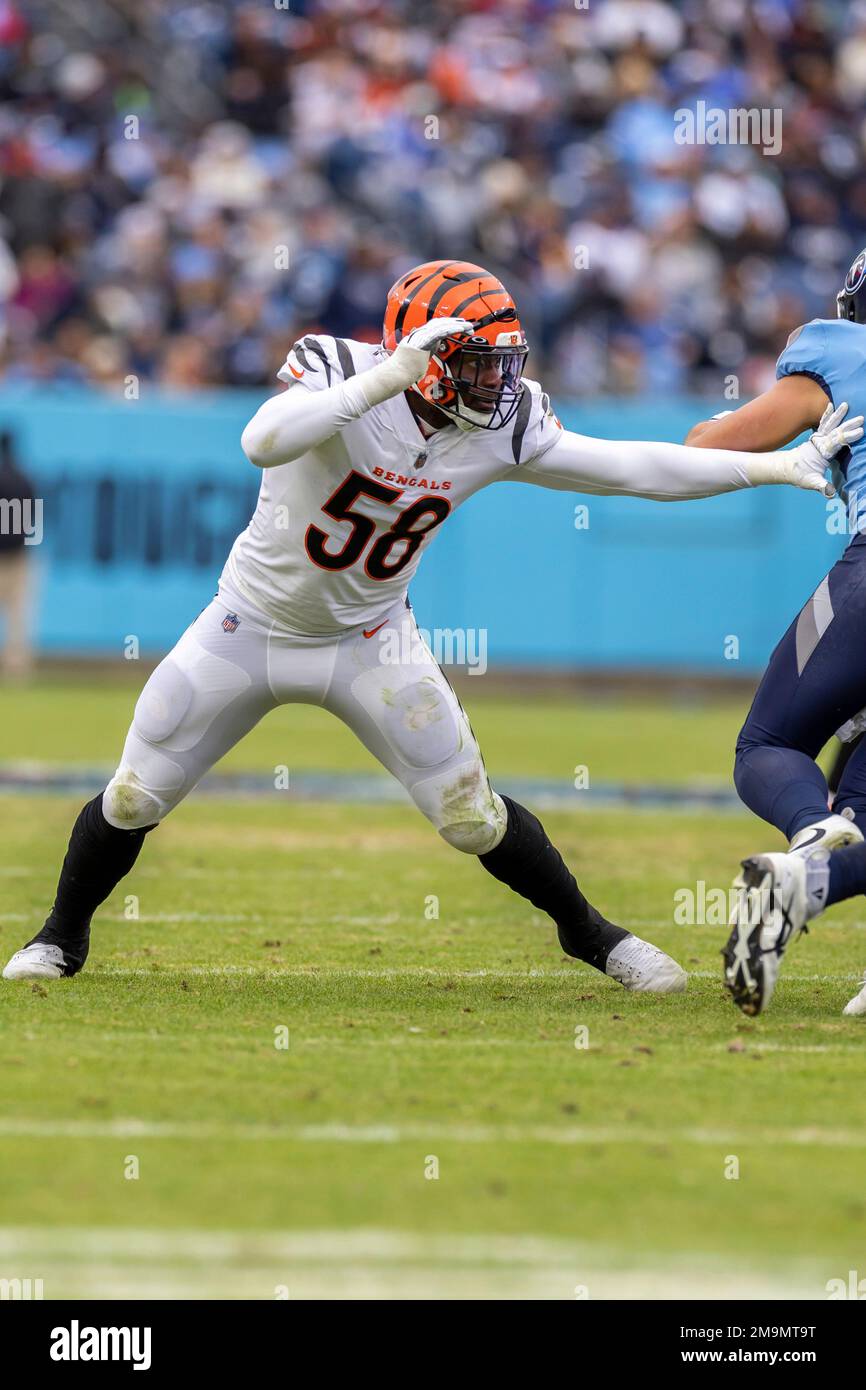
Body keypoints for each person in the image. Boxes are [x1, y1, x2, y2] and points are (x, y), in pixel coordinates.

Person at [3, 260, 857, 991]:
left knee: (470, 816)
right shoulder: (338, 367)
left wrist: (766, 467)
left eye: (505, 364)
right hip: (248, 625)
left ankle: (592, 935)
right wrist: (379, 380)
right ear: (430, 358)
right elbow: (262, 441)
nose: (501, 384)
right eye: (482, 365)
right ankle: (59, 936)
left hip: (371, 638)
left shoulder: (503, 423)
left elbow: (628, 468)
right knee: (134, 792)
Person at [684, 247, 866, 1015]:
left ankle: (807, 835)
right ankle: (810, 871)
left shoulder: (837, 347)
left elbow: (709, 447)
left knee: (768, 746)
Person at [0, 430, 37, 679]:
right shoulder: (24, 478)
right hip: (19, 557)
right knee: (18, 617)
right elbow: (32, 517)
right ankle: (16, 671)